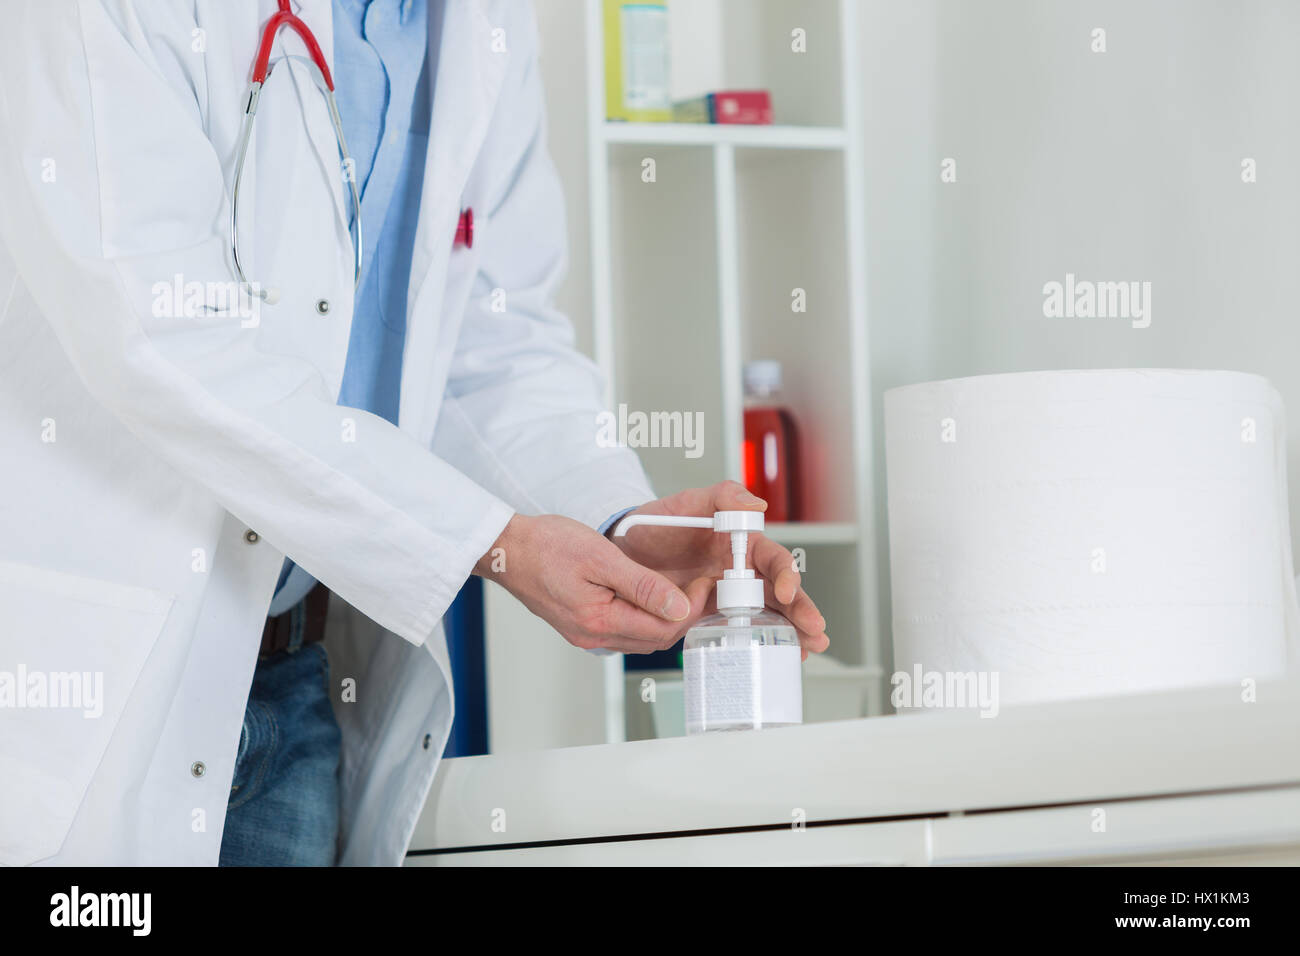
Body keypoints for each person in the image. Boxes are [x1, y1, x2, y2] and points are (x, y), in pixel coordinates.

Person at [0, 0, 828, 867]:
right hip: (101, 682)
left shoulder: (479, 26)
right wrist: (493, 542)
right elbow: (163, 337)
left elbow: (492, 344)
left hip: (296, 681)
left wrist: (616, 522)